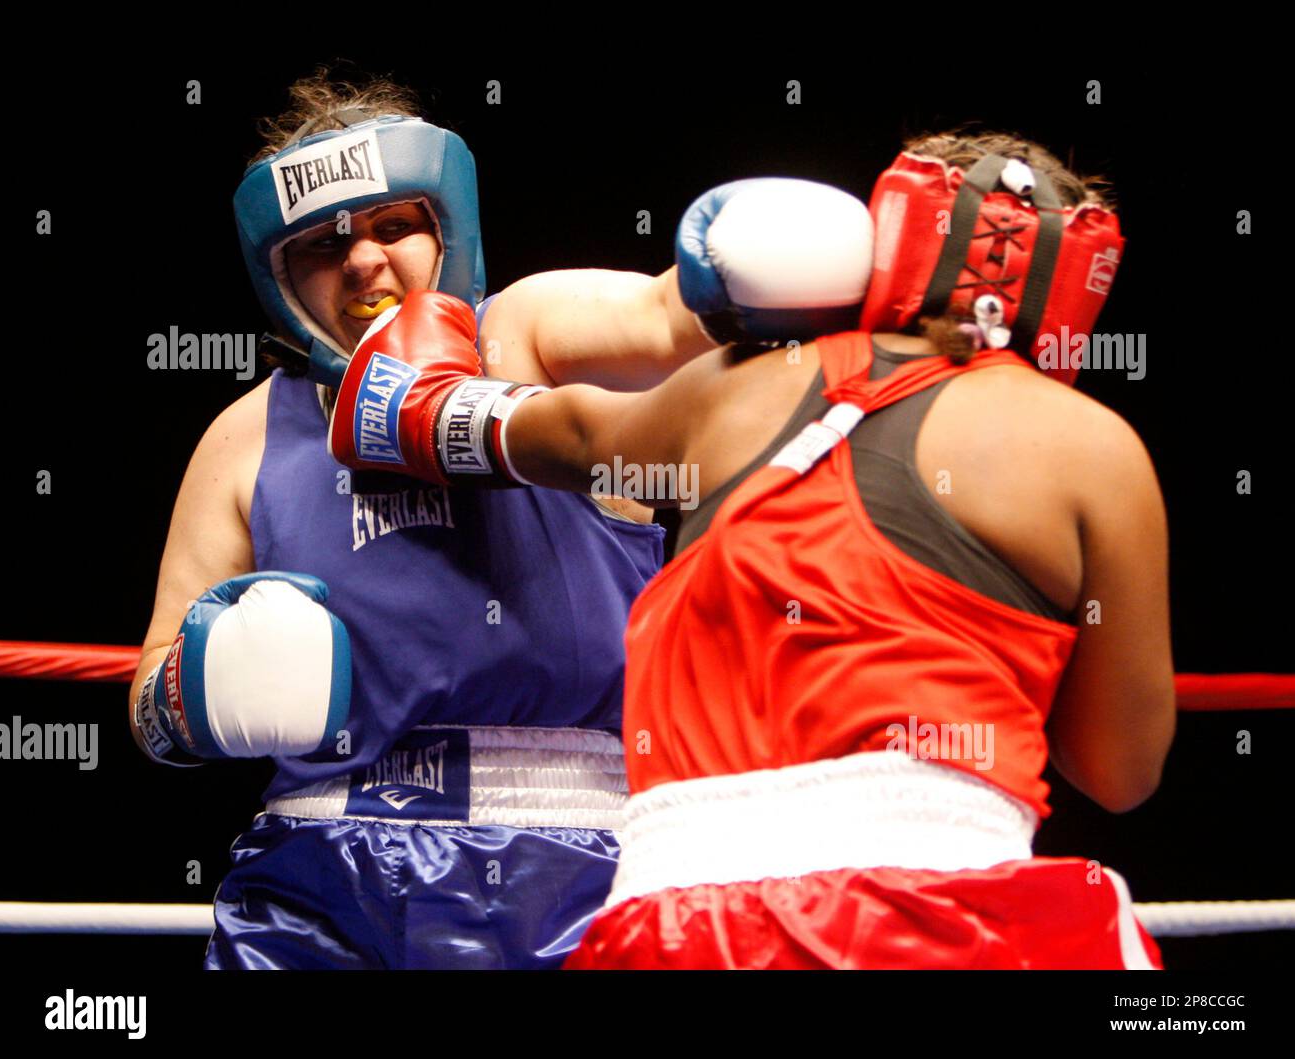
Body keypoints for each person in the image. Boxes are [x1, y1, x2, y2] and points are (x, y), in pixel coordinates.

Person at [330, 131, 1177, 969]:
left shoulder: (734, 390)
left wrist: (419, 407)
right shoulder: (1093, 451)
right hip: (956, 904)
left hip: (678, 914)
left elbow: (551, 430)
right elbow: (1118, 771)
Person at [128, 72, 870, 969]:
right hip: (314, 873)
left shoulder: (525, 334)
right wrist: (198, 696)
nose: (363, 259)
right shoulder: (247, 433)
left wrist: (749, 263)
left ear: (448, 232)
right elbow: (149, 690)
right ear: (281, 277)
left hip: (569, 860)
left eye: (394, 226)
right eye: (325, 244)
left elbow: (670, 318)